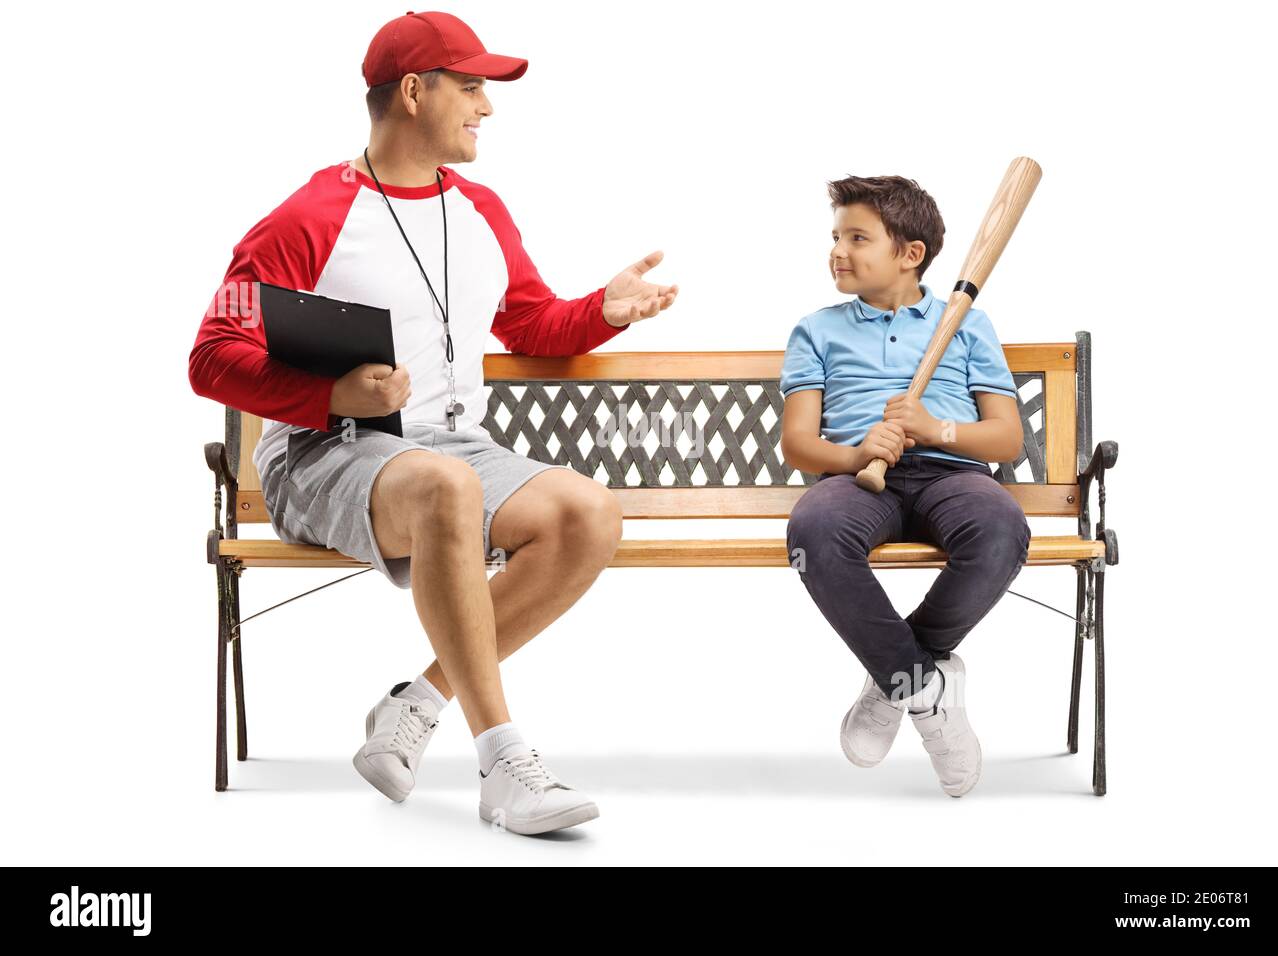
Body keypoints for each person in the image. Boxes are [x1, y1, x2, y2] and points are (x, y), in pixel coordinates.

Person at [188, 11, 678, 834]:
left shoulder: (481, 207)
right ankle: (503, 764)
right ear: (414, 92)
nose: (488, 106)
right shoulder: (306, 217)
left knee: (587, 514)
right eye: (472, 85)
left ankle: (414, 707)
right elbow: (210, 356)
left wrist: (605, 311)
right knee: (444, 485)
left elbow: (530, 325)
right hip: (324, 452)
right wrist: (334, 399)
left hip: (451, 451)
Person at [780, 175, 1030, 797]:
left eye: (857, 237)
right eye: (836, 235)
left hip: (954, 477)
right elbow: (797, 444)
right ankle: (922, 684)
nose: (838, 249)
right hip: (859, 482)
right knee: (814, 531)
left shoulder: (966, 324)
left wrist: (937, 427)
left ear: (909, 253)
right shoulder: (817, 329)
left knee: (1001, 528)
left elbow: (1007, 441)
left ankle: (892, 670)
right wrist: (856, 450)